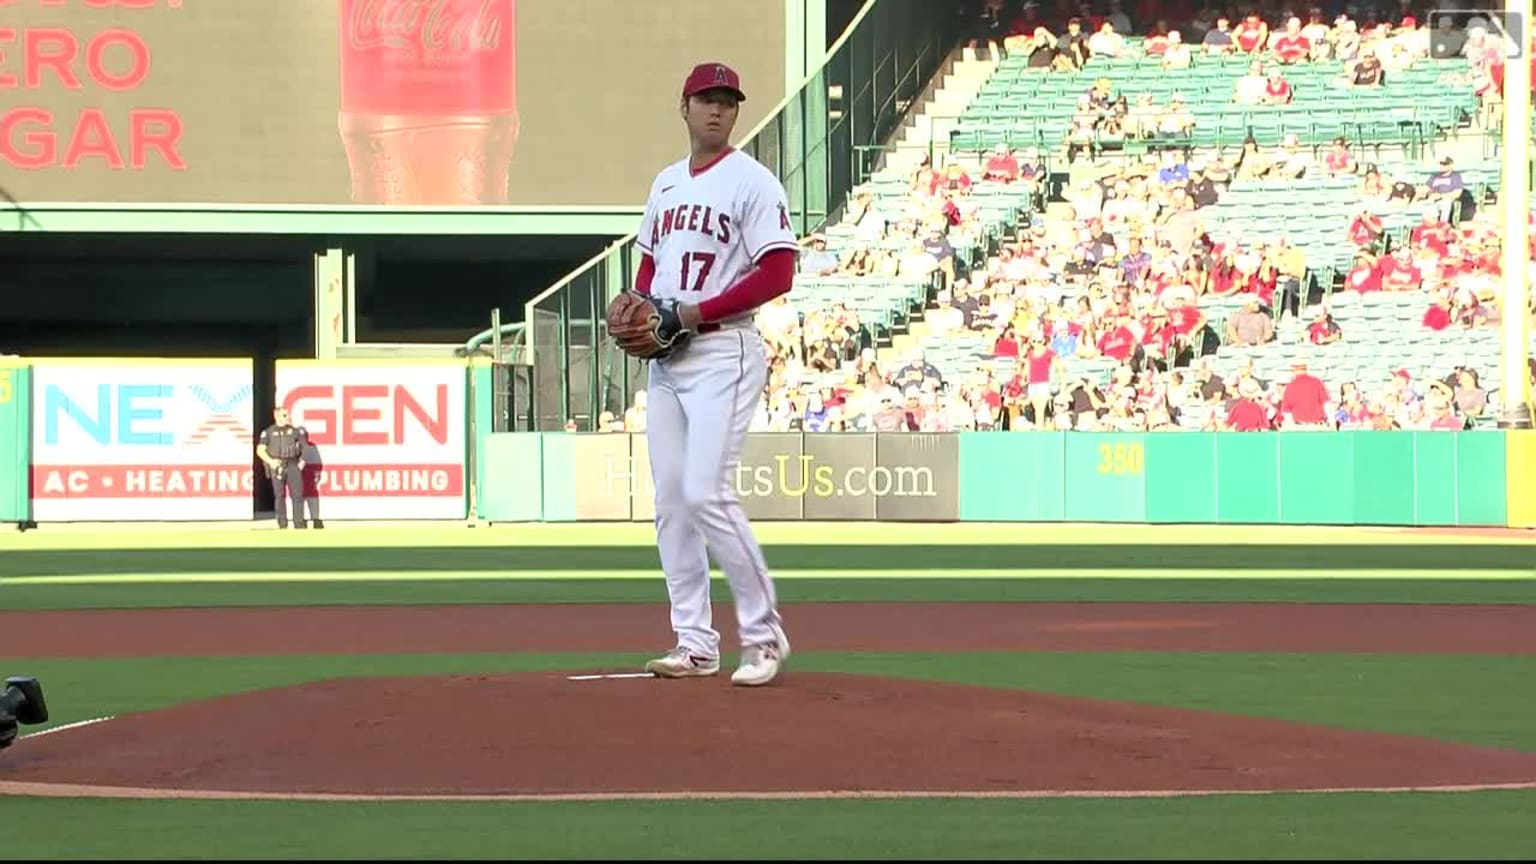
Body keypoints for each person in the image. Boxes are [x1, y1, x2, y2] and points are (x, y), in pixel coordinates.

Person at [622, 62, 798, 687]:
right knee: (671, 502)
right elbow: (650, 265)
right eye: (706, 99)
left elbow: (778, 272)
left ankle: (764, 636)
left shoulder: (753, 182)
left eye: (727, 101)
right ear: (685, 107)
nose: (717, 110)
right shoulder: (666, 183)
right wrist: (640, 307)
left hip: (725, 349)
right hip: (668, 357)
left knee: (705, 493)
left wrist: (696, 312)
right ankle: (695, 643)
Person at [256, 406, 308, 530]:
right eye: (284, 415)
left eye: (287, 415)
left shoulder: (294, 431)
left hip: (292, 464)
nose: (287, 417)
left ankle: (299, 524)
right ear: (277, 416)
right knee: (279, 496)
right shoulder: (269, 432)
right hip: (277, 465)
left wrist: (302, 462)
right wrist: (271, 462)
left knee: (297, 495)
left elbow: (305, 447)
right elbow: (260, 450)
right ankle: (282, 524)